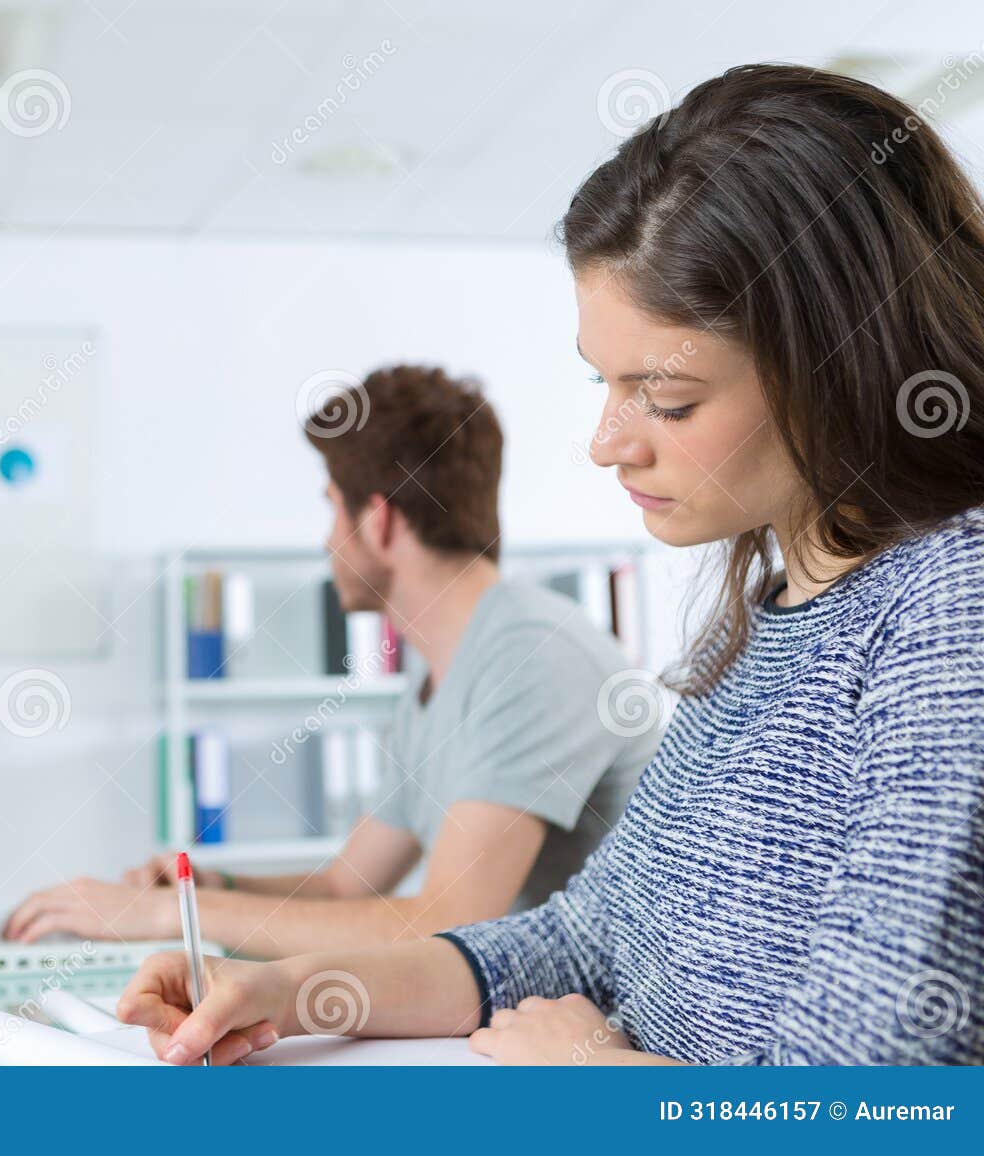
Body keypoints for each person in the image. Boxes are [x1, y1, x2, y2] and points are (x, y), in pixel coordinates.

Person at [116, 63, 984, 1066]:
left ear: (838, 362)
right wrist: (293, 989)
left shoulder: (949, 612)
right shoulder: (776, 606)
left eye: (665, 396)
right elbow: (584, 936)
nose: (610, 442)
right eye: (602, 384)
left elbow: (874, 1102)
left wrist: (595, 1076)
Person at [4, 366, 659, 956]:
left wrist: (174, 914)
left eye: (331, 513)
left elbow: (451, 925)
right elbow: (347, 889)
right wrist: (213, 884)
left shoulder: (530, 658)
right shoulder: (437, 678)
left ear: (379, 523)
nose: (325, 543)